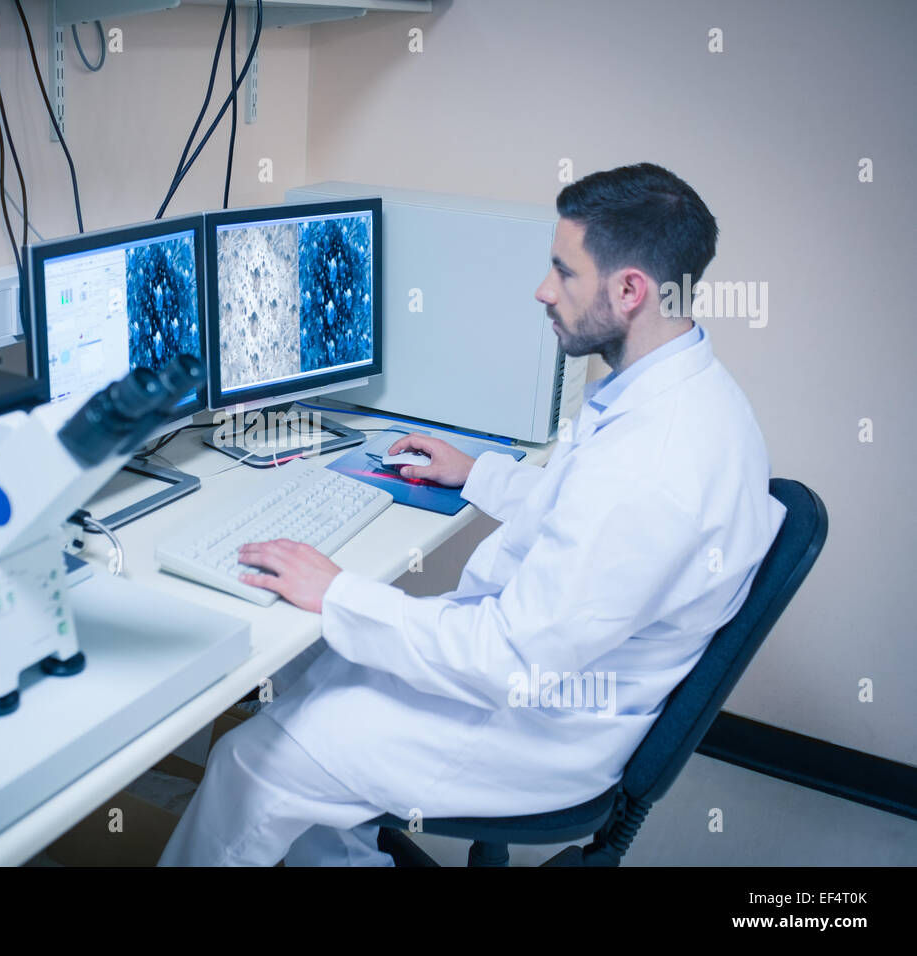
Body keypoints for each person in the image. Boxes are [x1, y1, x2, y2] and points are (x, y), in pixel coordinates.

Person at [158, 163, 786, 866]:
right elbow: (585, 520)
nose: (543, 292)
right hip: (565, 672)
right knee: (313, 674)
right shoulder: (691, 391)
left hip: (532, 724)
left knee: (255, 763)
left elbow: (509, 658)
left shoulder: (651, 464)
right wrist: (479, 473)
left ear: (630, 290)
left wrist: (337, 589)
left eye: (563, 271)